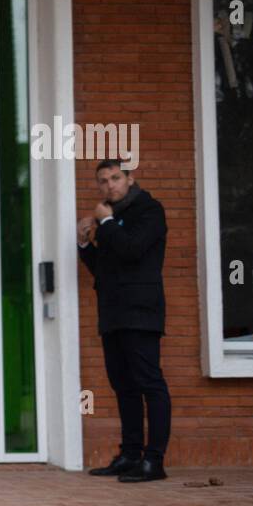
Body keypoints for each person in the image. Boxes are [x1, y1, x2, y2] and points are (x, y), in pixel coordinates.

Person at [78, 159, 171, 482]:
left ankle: (154, 461)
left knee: (150, 383)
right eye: (103, 181)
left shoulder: (149, 211)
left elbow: (132, 251)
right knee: (123, 387)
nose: (109, 186)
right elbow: (103, 268)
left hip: (142, 313)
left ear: (130, 179)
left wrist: (106, 225)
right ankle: (131, 455)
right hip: (113, 314)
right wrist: (85, 243)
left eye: (116, 178)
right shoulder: (112, 219)